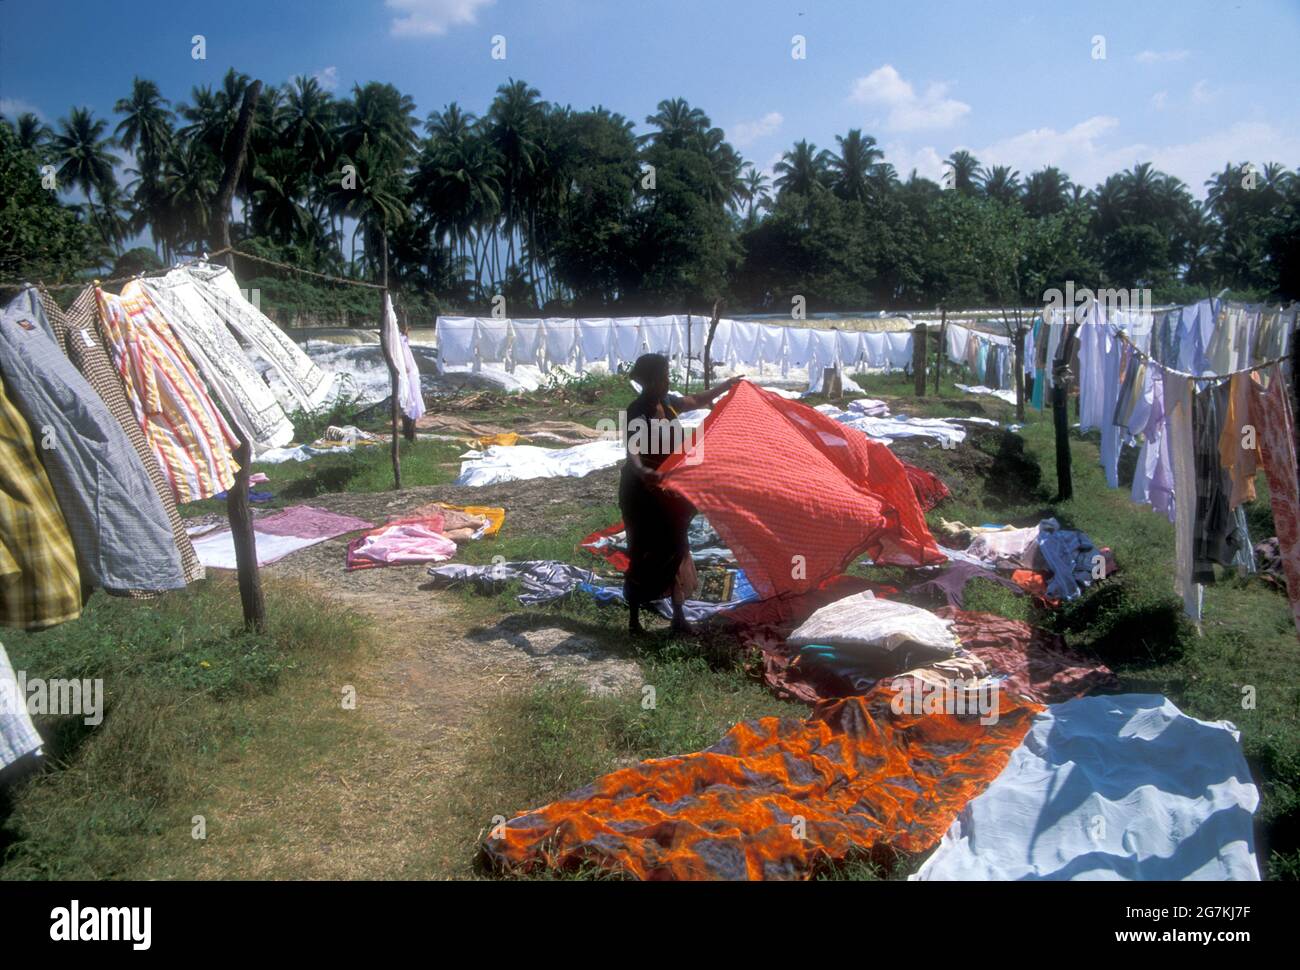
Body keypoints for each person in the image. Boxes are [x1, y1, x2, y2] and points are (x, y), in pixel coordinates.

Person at [620, 353, 743, 635]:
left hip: (668, 489)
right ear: (650, 380)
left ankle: (679, 617)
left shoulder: (668, 403)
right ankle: (634, 620)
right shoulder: (637, 410)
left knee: (676, 548)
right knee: (642, 550)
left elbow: (697, 400)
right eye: (663, 377)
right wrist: (643, 472)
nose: (667, 381)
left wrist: (726, 386)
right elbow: (632, 450)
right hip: (640, 493)